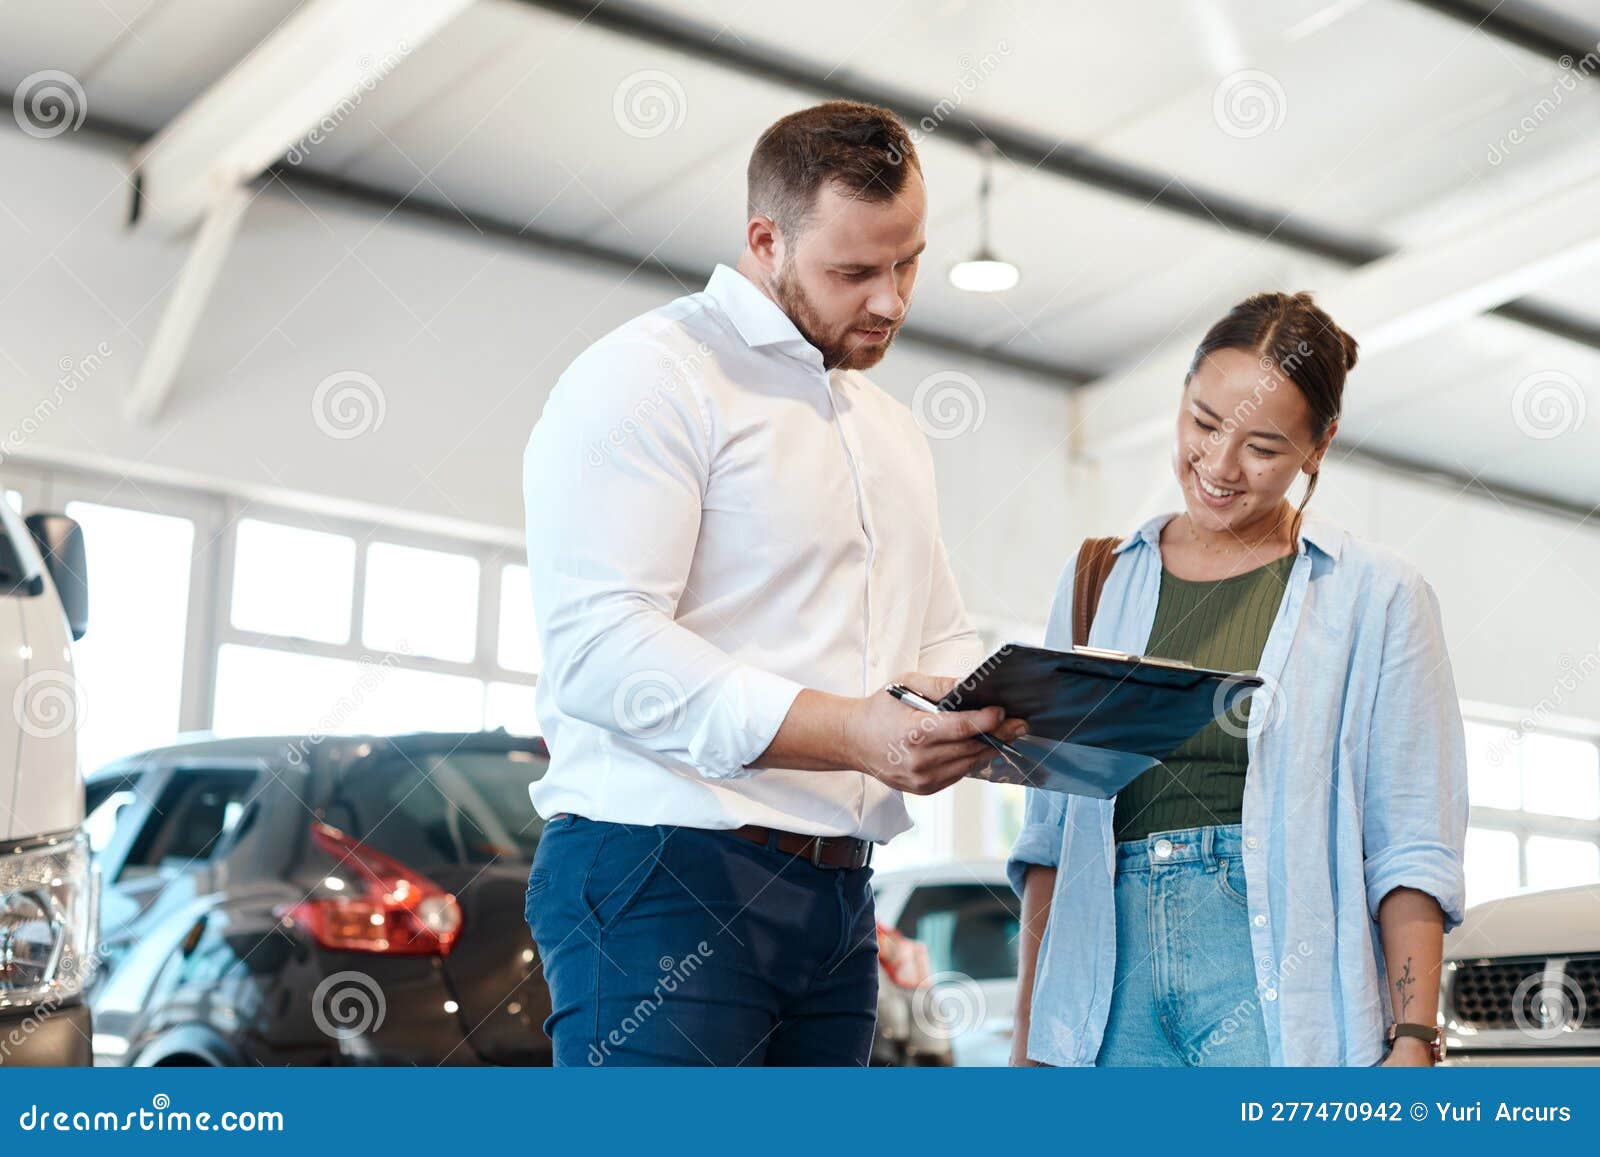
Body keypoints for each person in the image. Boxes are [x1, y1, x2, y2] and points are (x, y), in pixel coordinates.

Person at [521, 100, 1023, 1067]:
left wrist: (1035, 701)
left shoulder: (890, 430)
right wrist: (853, 730)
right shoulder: (649, 377)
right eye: (855, 271)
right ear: (765, 240)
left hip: (838, 894)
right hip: (662, 869)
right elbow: (601, 649)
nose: (892, 300)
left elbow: (935, 644)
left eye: (909, 260)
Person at [1009, 292, 1468, 1067]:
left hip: (1278, 988)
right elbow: (1050, 840)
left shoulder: (1378, 598)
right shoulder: (1096, 583)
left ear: (1318, 446)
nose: (1219, 466)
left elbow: (1411, 849)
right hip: (1102, 984)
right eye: (1203, 422)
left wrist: (1413, 1040)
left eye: (1262, 446)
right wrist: (1027, 1043)